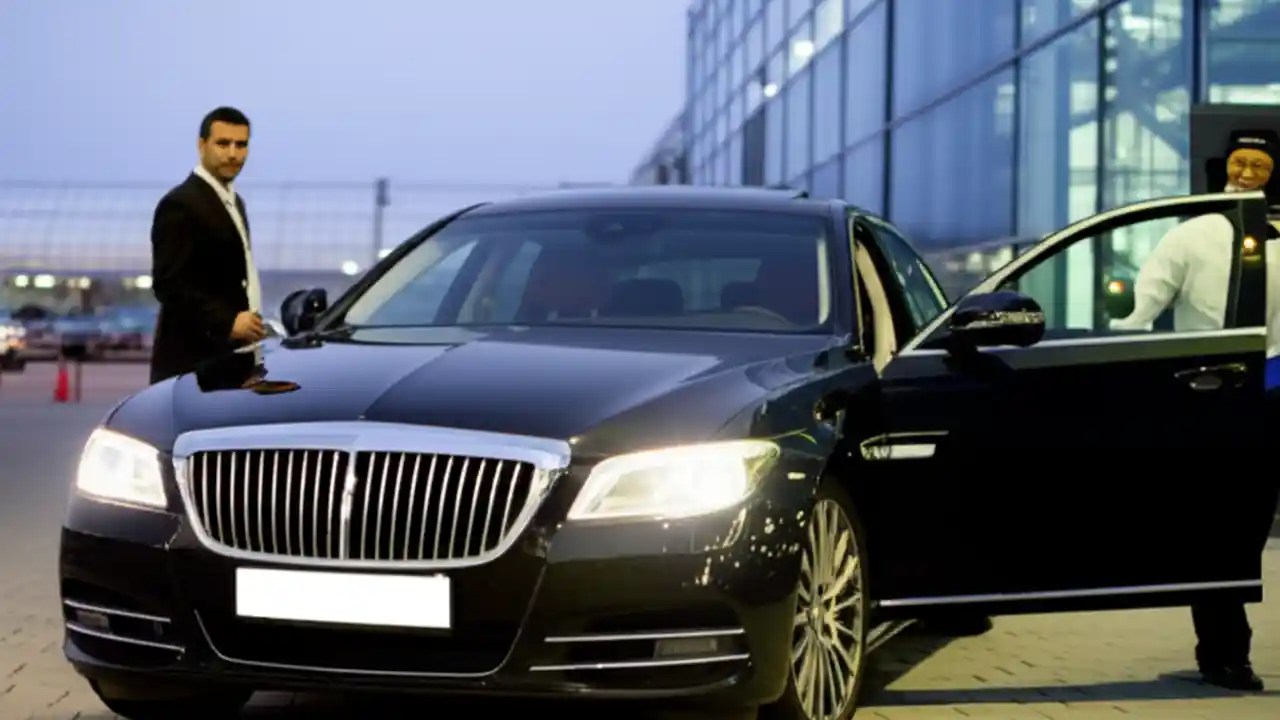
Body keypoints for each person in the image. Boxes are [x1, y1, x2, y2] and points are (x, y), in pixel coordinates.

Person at [1111, 128, 1280, 692]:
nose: (1248, 173)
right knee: (1215, 529)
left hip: (1271, 398)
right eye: (1240, 162)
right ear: (1223, 166)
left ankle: (1226, 643)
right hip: (1205, 398)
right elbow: (1138, 314)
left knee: (1246, 530)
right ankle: (1225, 651)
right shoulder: (1187, 237)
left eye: (1260, 164)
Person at [149, 106, 265, 384]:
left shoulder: (235, 203)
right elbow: (169, 284)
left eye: (241, 144)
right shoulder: (180, 204)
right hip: (195, 370)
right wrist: (227, 322)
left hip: (232, 363)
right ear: (202, 146)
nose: (233, 153)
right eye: (223, 143)